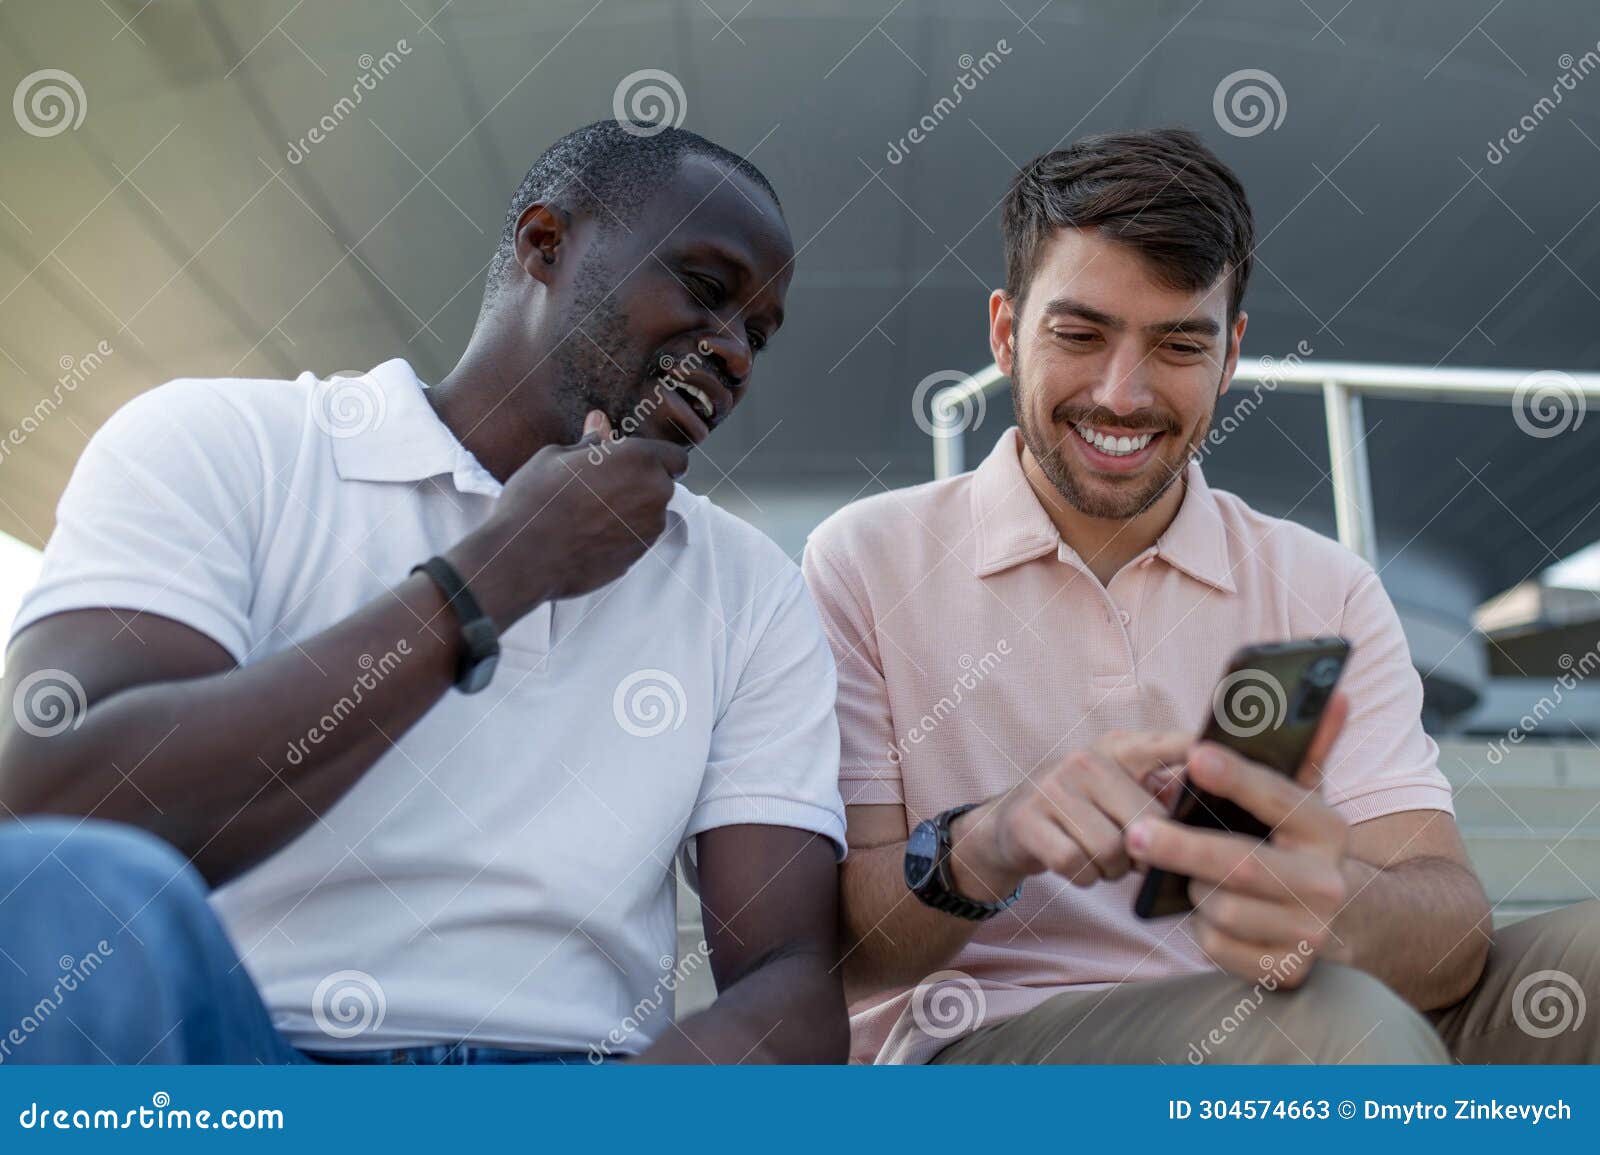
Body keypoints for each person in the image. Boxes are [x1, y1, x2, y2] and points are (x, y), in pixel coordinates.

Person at [0, 119, 849, 1065]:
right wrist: (500, 572)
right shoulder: (224, 443)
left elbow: (792, 982)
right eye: (705, 289)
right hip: (239, 1061)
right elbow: (52, 821)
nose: (735, 353)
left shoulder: (751, 589)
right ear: (545, 244)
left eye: (758, 336)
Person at [804, 127, 1600, 1065]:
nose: (1123, 394)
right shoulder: (866, 561)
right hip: (990, 1044)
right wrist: (991, 840)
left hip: (1300, 1008)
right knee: (1332, 1032)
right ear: (1006, 333)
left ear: (1230, 358)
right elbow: (844, 949)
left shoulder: (1326, 585)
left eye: (1179, 343)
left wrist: (1337, 908)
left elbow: (1450, 926)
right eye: (1079, 334)